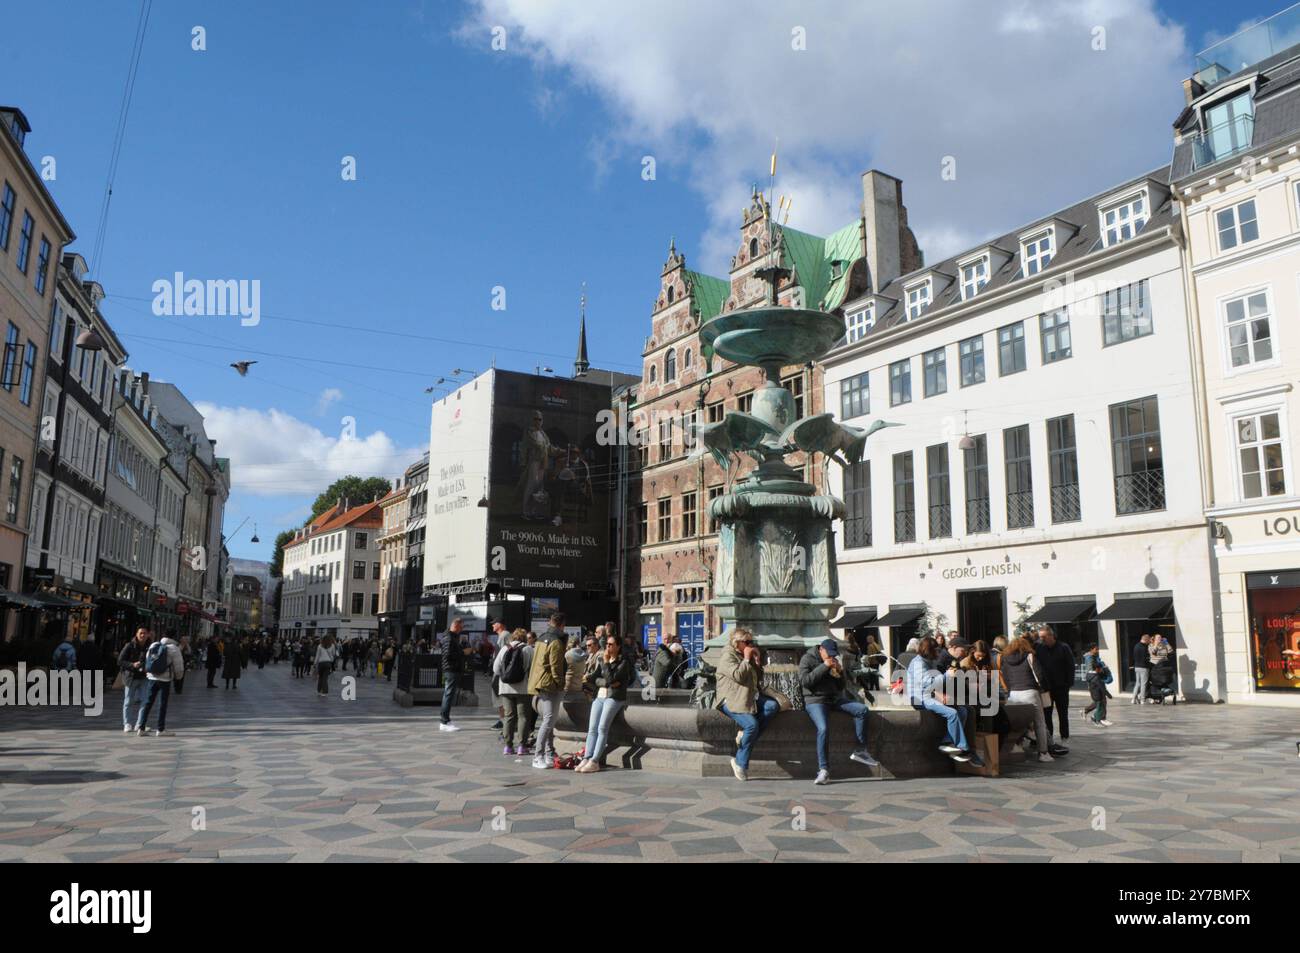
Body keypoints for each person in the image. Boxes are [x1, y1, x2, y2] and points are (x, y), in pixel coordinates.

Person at [799, 638, 879, 784]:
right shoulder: (807, 659)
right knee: (823, 728)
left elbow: (840, 686)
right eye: (828, 654)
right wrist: (824, 666)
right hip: (815, 701)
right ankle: (823, 770)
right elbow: (805, 681)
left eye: (833, 655)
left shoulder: (833, 660)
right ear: (821, 649)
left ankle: (860, 750)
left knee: (862, 710)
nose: (831, 657)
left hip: (833, 699)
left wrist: (840, 673)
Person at [713, 628, 781, 782]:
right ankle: (740, 763)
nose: (751, 644)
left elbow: (756, 678)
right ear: (737, 643)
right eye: (747, 642)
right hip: (730, 699)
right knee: (752, 725)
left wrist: (756, 663)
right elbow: (738, 676)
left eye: (752, 642)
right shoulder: (727, 656)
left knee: (772, 706)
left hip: (747, 696)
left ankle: (745, 736)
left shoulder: (744, 654)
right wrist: (746, 659)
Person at [906, 636, 984, 766]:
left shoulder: (929, 661)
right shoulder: (921, 663)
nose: (938, 652)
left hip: (930, 696)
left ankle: (950, 742)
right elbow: (929, 684)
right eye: (936, 649)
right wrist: (946, 677)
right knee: (954, 712)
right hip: (922, 698)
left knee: (964, 711)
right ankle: (962, 748)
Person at [576, 632, 635, 773]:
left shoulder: (623, 662)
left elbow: (609, 679)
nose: (607, 647)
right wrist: (605, 682)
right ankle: (587, 757)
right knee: (592, 728)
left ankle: (595, 761)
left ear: (618, 646)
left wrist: (607, 666)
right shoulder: (602, 659)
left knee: (602, 728)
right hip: (600, 696)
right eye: (607, 644)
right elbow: (593, 679)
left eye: (610, 644)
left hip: (614, 697)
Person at [997, 636, 1053, 762]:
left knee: (1017, 722)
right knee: (1039, 722)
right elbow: (1039, 675)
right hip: (1030, 692)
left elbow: (1005, 678)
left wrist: (1011, 690)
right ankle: (1043, 753)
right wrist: (1043, 688)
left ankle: (1016, 747)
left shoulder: (1005, 658)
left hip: (1014, 694)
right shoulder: (1030, 656)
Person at [526, 613, 569, 768]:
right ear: (562, 624)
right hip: (550, 685)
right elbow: (556, 666)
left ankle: (549, 754)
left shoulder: (541, 638)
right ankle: (538, 756)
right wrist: (561, 684)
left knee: (547, 720)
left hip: (539, 682)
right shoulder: (556, 641)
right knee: (549, 720)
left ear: (550, 622)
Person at [494, 628, 536, 756]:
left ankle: (508, 746)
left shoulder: (505, 648)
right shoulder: (528, 649)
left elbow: (496, 668)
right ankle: (522, 746)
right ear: (524, 638)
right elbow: (534, 669)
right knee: (523, 717)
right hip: (523, 688)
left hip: (505, 688)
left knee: (509, 716)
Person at [135, 632, 185, 736]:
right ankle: (160, 729)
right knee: (162, 704)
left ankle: (141, 727)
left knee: (148, 702)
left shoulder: (154, 645)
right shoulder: (174, 648)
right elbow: (179, 667)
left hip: (152, 678)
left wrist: (149, 674)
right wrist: (178, 678)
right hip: (165, 680)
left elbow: (147, 659)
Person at [1034, 627, 1073, 757]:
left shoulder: (1063, 647)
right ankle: (1049, 741)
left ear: (1052, 636)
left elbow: (1070, 665)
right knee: (1046, 714)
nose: (1042, 639)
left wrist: (1068, 683)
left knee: (1063, 713)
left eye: (1044, 637)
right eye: (1040, 637)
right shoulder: (1039, 648)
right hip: (1045, 689)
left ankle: (1065, 738)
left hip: (1061, 687)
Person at [437, 619, 471, 732]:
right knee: (448, 694)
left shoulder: (451, 637)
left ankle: (446, 719)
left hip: (452, 669)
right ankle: (444, 721)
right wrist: (463, 652)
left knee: (449, 694)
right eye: (460, 628)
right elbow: (447, 654)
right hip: (451, 670)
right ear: (455, 626)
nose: (461, 630)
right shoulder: (449, 638)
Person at [117, 628, 151, 733]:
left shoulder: (150, 647)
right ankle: (127, 723)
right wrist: (132, 665)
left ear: (148, 635)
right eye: (141, 633)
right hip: (131, 677)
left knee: (145, 701)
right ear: (136, 634)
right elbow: (120, 661)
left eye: (145, 633)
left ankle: (139, 724)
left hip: (144, 677)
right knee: (128, 701)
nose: (142, 635)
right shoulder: (129, 645)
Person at [1081, 645, 1113, 727]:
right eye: (1096, 649)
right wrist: (1108, 694)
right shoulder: (1090, 658)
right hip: (1095, 683)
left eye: (1098, 649)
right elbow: (1092, 670)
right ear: (1091, 649)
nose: (1098, 650)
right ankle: (1098, 718)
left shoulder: (1094, 657)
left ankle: (1095, 716)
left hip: (1095, 682)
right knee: (1100, 702)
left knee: (1099, 702)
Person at [1131, 634, 1151, 704]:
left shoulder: (1136, 645)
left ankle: (1133, 699)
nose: (1149, 642)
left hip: (1136, 667)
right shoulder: (1144, 647)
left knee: (1137, 683)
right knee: (1143, 684)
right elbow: (1145, 659)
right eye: (1149, 640)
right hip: (1143, 667)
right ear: (1146, 640)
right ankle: (1142, 699)